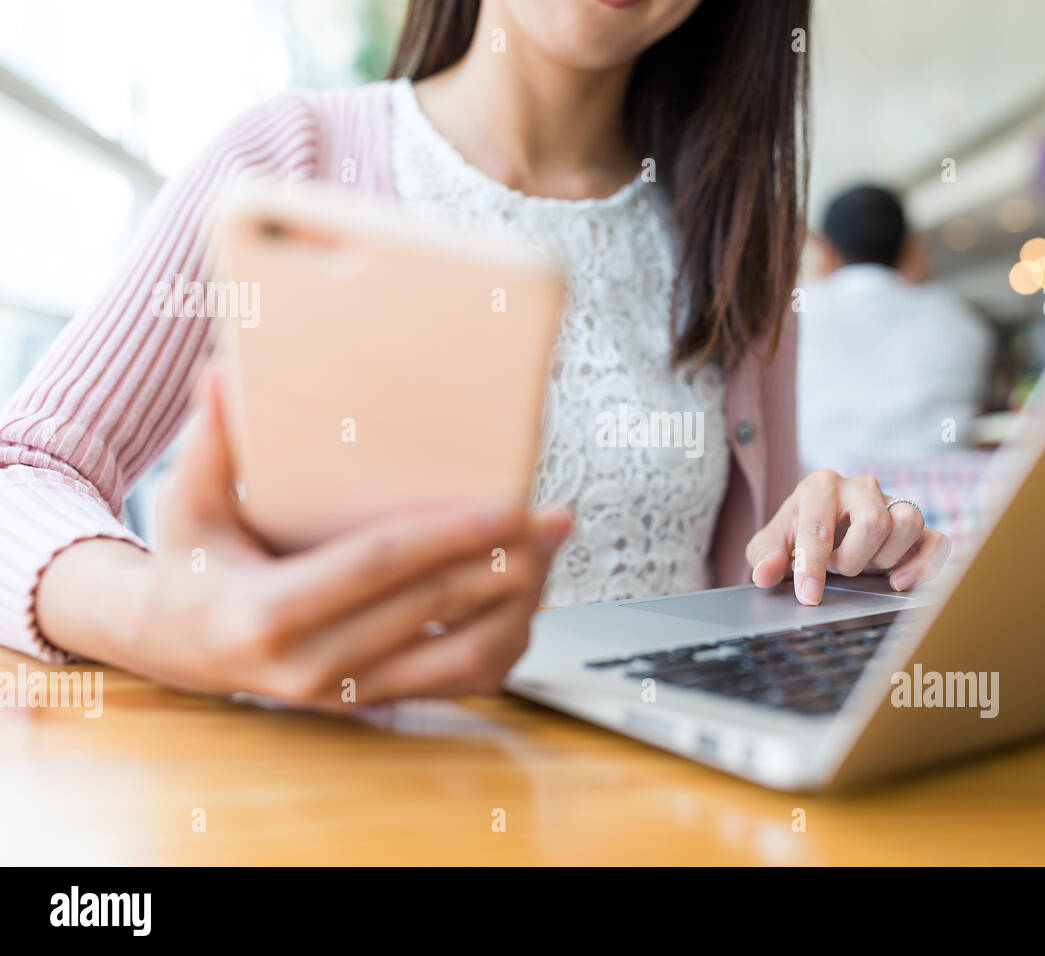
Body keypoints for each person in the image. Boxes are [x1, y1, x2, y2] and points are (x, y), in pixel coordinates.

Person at [0, 0, 950, 707]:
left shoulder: (740, 241)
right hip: (349, 813)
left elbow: (755, 601)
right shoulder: (293, 157)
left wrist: (840, 573)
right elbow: (23, 471)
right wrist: (168, 617)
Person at [797, 185, 995, 473]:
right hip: (950, 506)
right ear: (909, 249)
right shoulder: (961, 322)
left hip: (833, 508)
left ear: (824, 249)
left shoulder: (795, 315)